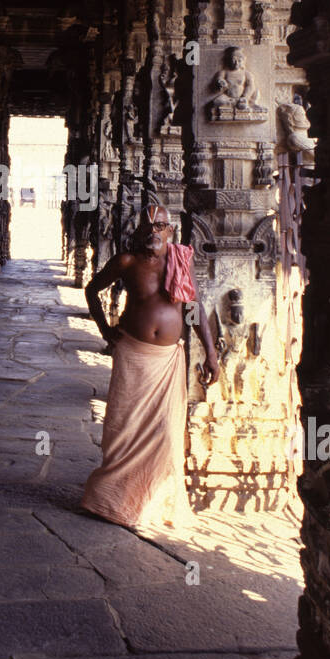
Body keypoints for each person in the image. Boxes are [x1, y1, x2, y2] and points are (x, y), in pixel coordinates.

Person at [81, 202, 219, 534]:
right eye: (147, 227)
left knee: (167, 435)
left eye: (160, 227)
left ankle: (153, 503)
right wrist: (105, 329)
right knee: (123, 427)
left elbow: (193, 308)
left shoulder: (180, 261)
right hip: (133, 354)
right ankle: (113, 501)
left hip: (168, 359)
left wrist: (211, 354)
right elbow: (92, 290)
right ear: (138, 231)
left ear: (170, 231)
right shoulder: (127, 262)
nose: (153, 232)